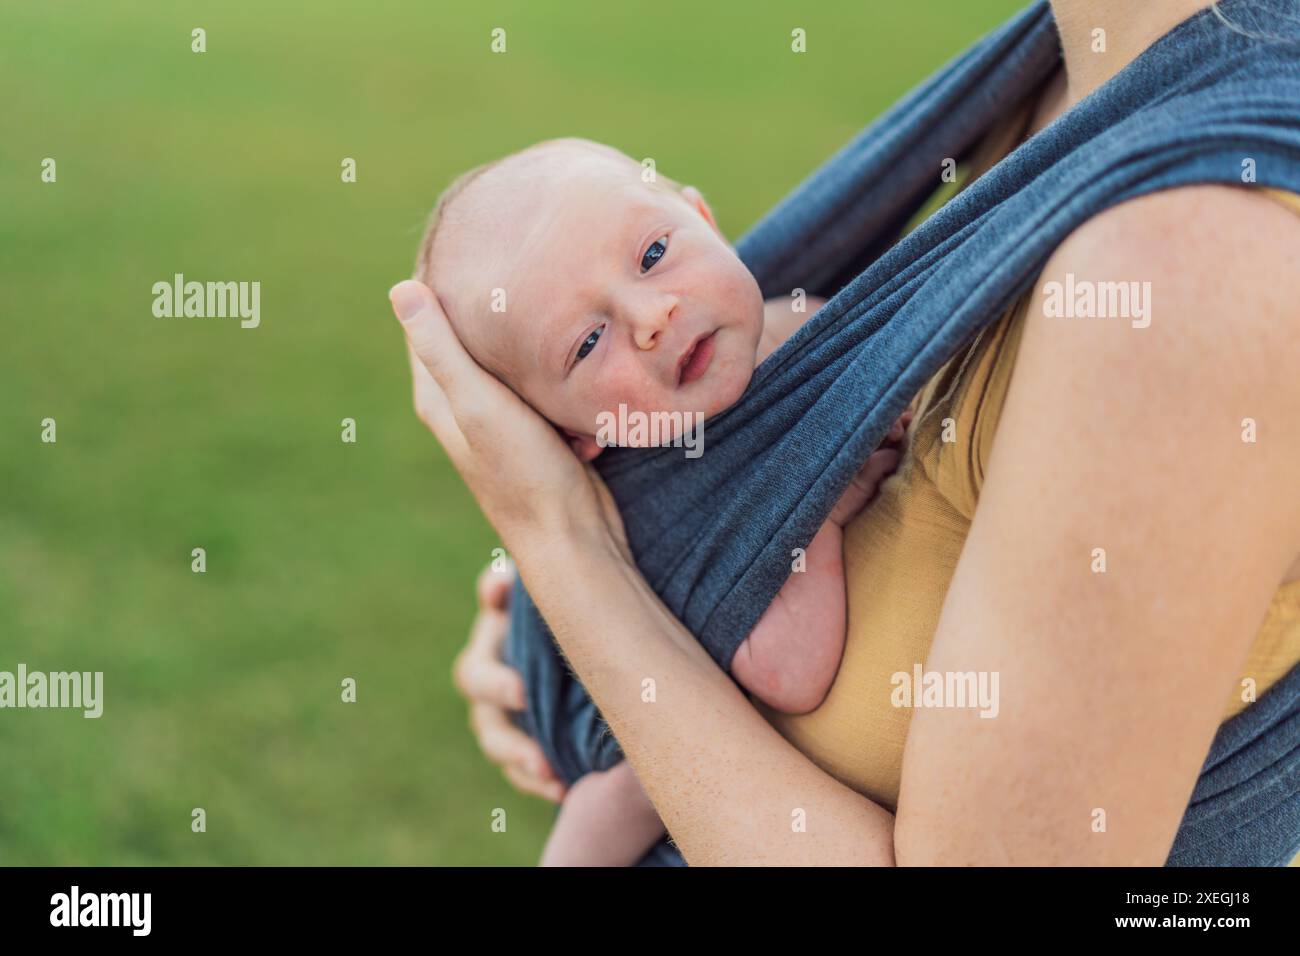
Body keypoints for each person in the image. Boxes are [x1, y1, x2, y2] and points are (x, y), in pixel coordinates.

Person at [397, 0, 1300, 864]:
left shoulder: (1192, 260)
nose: (651, 317)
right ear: (577, 438)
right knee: (612, 797)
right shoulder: (1051, 82)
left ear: (700, 218)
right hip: (611, 766)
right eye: (588, 342)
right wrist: (552, 634)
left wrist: (563, 553)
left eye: (653, 254)